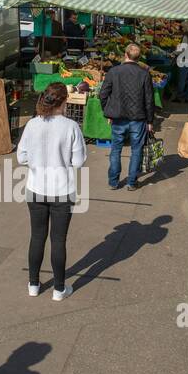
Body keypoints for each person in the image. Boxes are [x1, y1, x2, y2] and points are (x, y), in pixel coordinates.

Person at [16, 82, 86, 301]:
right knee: (58, 240)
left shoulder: (32, 124)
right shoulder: (71, 126)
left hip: (35, 188)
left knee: (37, 236)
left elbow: (21, 157)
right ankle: (59, 289)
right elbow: (78, 161)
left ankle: (33, 285)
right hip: (62, 190)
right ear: (65, 101)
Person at [97, 42, 155, 191]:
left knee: (116, 149)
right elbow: (149, 100)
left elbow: (102, 94)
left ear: (125, 55)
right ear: (139, 57)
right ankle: (131, 182)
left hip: (118, 116)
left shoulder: (114, 71)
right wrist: (150, 121)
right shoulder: (144, 73)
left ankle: (113, 182)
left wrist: (108, 111)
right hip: (138, 118)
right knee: (136, 150)